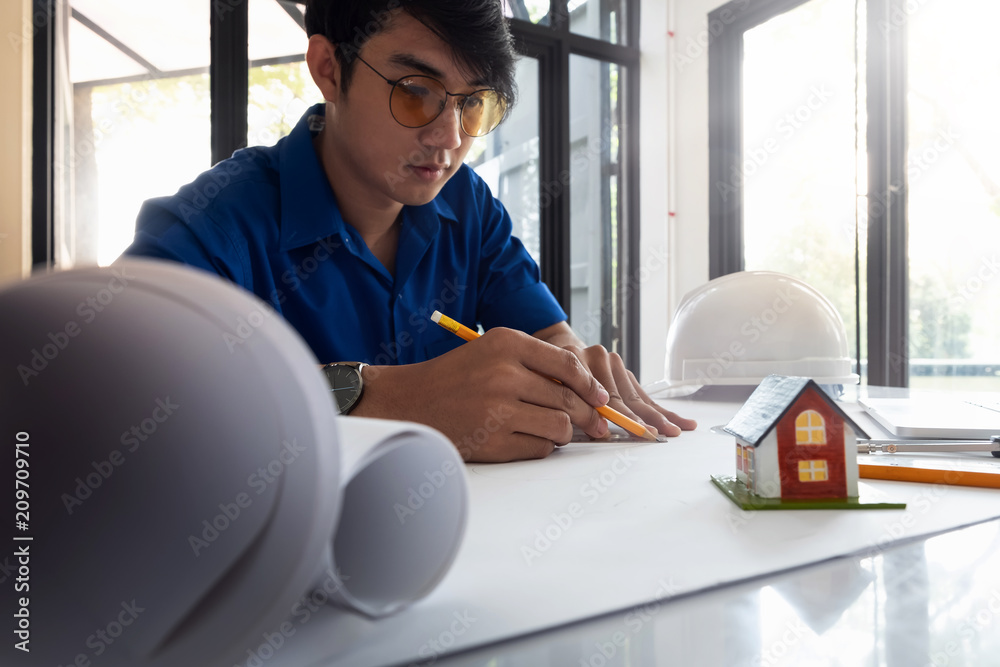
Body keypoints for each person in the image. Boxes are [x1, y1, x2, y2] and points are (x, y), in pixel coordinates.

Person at [123, 0, 696, 462]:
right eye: (415, 90)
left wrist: (571, 372)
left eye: (472, 103)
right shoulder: (209, 226)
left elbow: (549, 336)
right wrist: (394, 399)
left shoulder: (467, 204)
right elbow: (124, 408)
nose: (449, 138)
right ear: (328, 68)